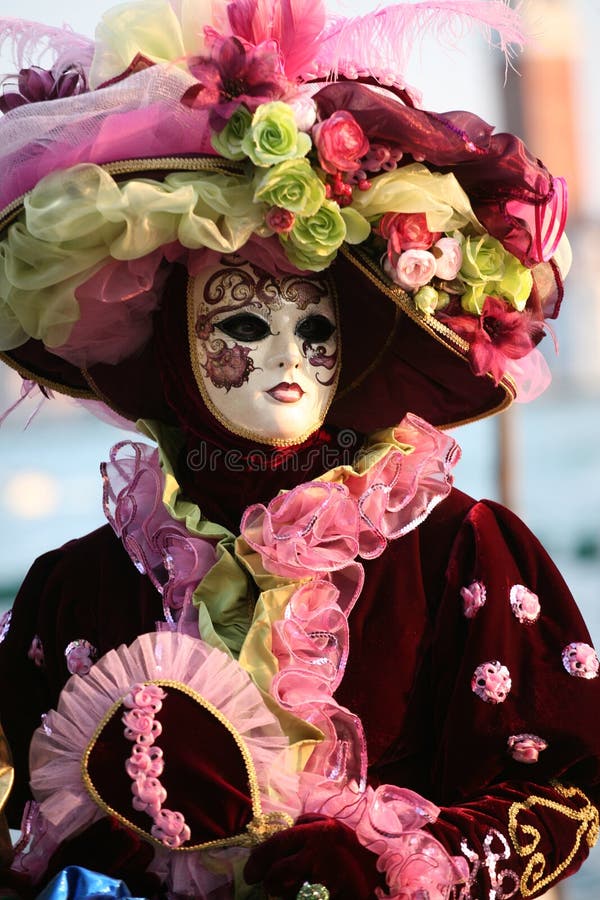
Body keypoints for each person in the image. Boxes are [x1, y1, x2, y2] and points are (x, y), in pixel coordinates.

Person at [0, 0, 598, 897]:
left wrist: (397, 872)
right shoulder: (77, 585)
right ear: (165, 339)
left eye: (316, 326)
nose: (287, 356)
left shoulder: (453, 551)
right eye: (242, 320)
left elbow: (566, 790)